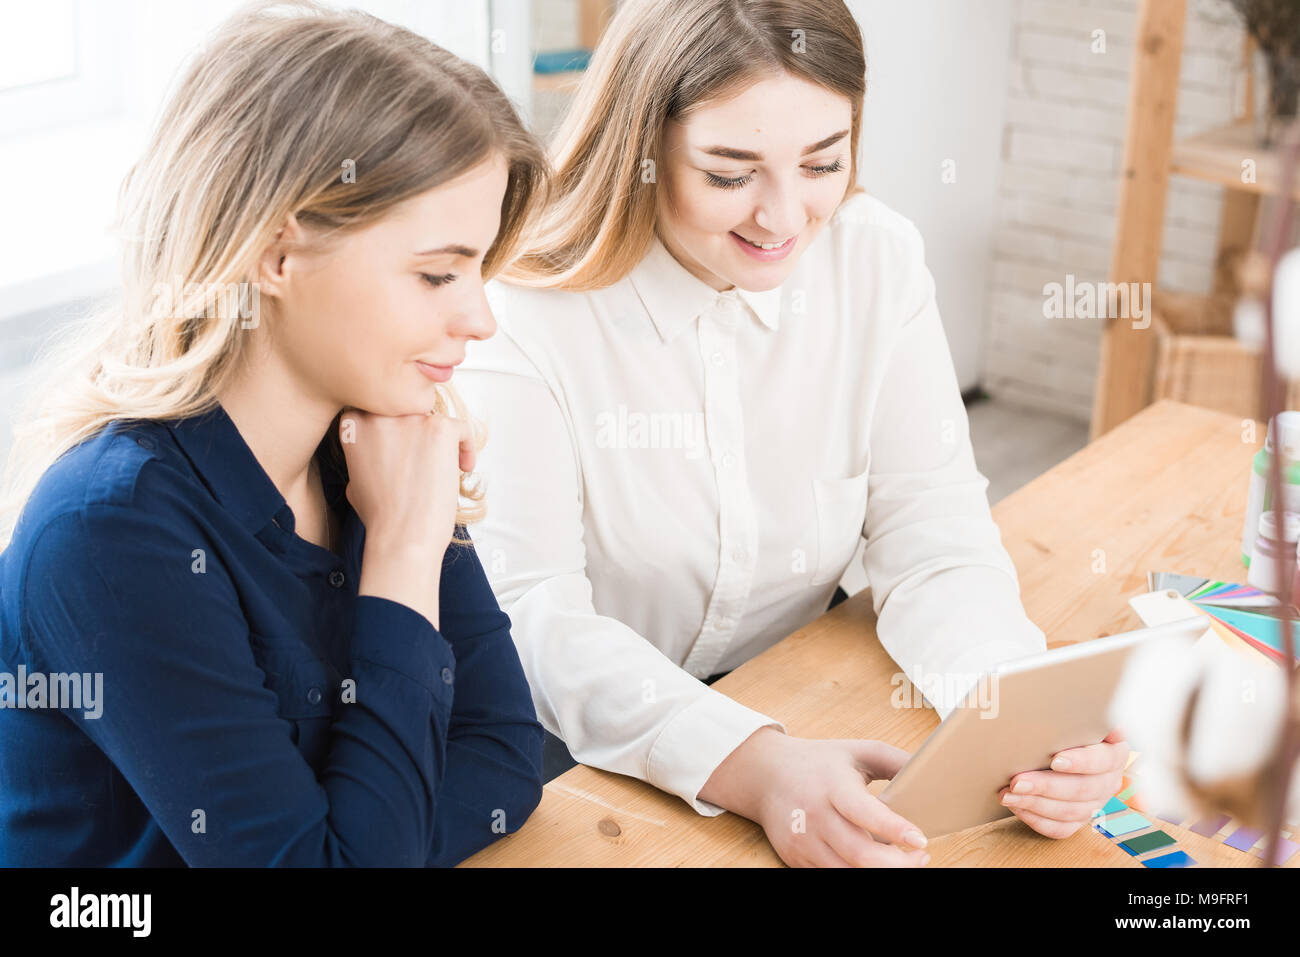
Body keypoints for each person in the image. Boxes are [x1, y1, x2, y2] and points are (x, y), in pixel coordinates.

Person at [455, 0, 1130, 868]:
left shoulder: (873, 259)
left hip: (799, 700)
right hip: (563, 742)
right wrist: (755, 763)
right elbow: (537, 618)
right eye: (730, 173)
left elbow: (931, 538)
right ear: (644, 150)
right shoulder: (525, 309)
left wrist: (1013, 716)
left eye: (823, 163)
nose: (783, 219)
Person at [0, 0, 551, 867]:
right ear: (277, 254)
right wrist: (405, 555)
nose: (479, 317)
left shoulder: (378, 439)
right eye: (438, 273)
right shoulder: (111, 531)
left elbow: (507, 752)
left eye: (477, 269)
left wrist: (369, 843)